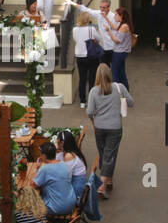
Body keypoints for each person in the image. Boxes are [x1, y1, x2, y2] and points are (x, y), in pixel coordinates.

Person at [86, 62, 133, 196]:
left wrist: (93, 121)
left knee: (104, 154)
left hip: (99, 127)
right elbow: (131, 102)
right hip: (115, 127)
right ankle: (102, 185)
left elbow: (89, 111)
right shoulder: (119, 87)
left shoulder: (93, 91)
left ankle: (108, 180)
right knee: (110, 155)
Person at [66, 0, 118, 67]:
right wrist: (72, 3)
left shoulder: (113, 17)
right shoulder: (99, 13)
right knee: (104, 68)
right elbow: (85, 9)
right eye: (100, 7)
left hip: (112, 47)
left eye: (104, 7)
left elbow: (117, 31)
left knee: (115, 68)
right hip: (102, 47)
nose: (102, 9)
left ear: (108, 7)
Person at [32, 141, 77, 216]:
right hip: (71, 203)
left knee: (29, 205)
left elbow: (33, 185)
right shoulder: (63, 163)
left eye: (40, 154)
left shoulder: (45, 169)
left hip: (58, 207)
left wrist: (36, 168)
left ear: (44, 156)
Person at [73, 11, 101, 107]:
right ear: (87, 19)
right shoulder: (91, 29)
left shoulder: (75, 30)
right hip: (91, 55)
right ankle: (91, 101)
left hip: (79, 56)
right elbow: (98, 39)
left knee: (82, 79)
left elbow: (76, 40)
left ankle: (82, 101)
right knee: (92, 79)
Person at [57, 129, 87, 201]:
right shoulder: (69, 152)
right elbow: (55, 159)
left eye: (57, 140)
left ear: (62, 143)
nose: (56, 142)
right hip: (75, 183)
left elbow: (67, 177)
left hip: (75, 189)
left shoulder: (69, 156)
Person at [108, 6, 133, 90]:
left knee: (114, 73)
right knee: (121, 73)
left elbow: (116, 40)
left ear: (121, 16)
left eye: (116, 15)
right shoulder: (123, 24)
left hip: (119, 52)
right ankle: (125, 90)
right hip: (122, 52)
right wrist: (106, 18)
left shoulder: (124, 26)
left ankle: (117, 92)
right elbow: (114, 27)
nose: (114, 16)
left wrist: (108, 32)